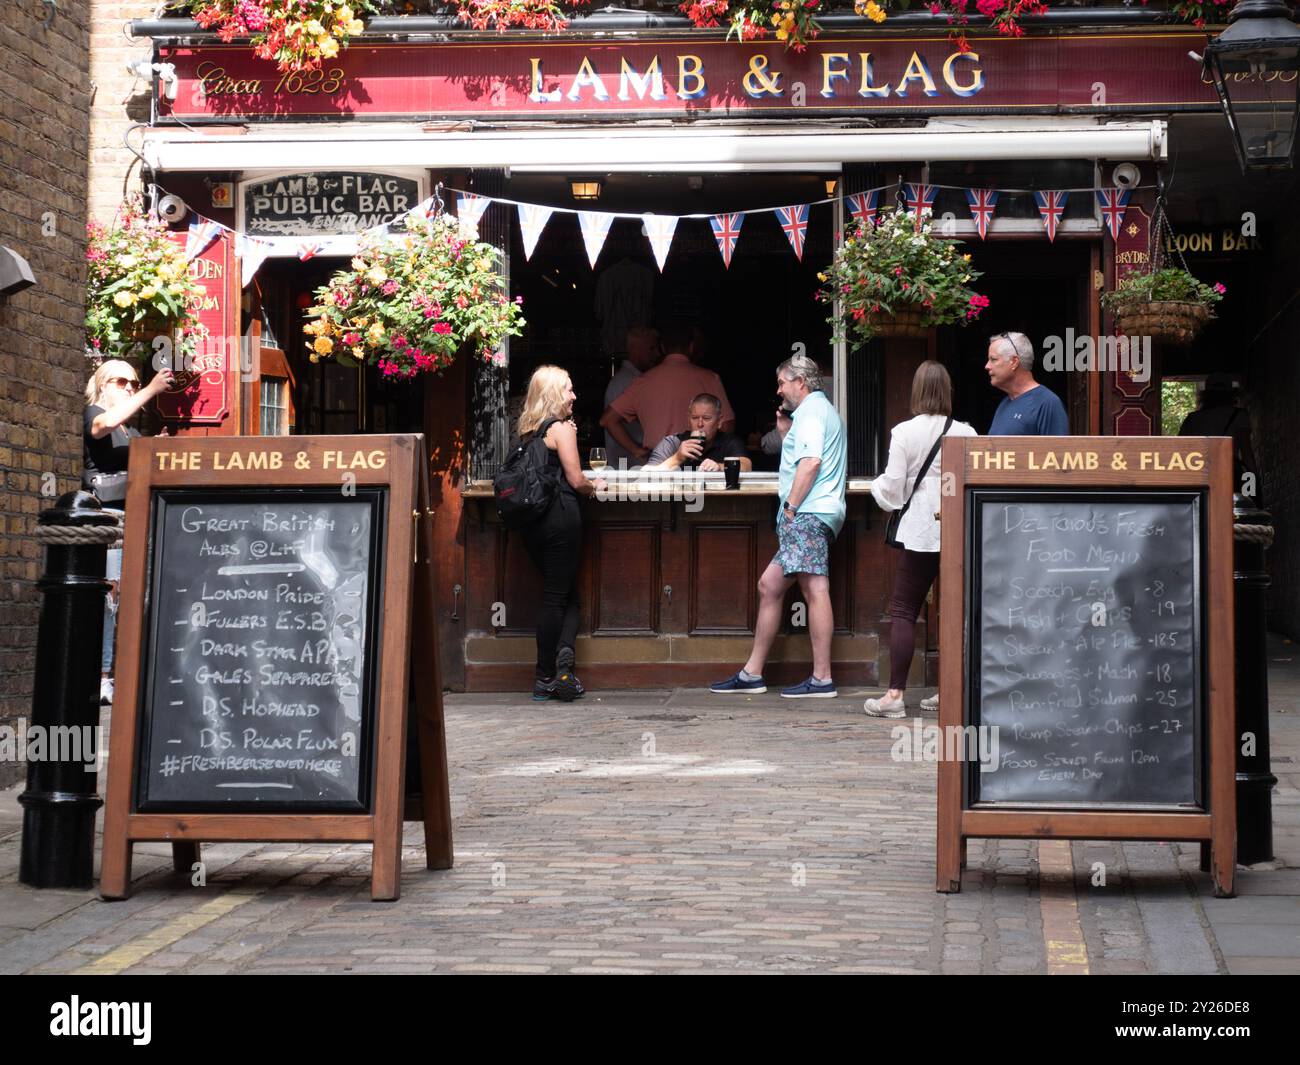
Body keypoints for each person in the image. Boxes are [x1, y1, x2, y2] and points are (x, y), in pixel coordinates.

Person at [711, 354, 847, 698]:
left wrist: (790, 508)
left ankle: (822, 679)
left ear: (800, 382)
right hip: (810, 513)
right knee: (769, 587)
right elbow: (806, 455)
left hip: (807, 514)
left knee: (815, 590)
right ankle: (752, 673)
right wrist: (786, 434)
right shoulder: (811, 414)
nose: (779, 389)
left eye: (783, 382)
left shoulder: (813, 412)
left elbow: (812, 462)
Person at [864, 362, 978, 717]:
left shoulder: (904, 433)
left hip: (920, 533)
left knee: (904, 609)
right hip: (959, 528)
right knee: (956, 611)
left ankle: (896, 696)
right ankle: (952, 693)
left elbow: (894, 491)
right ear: (948, 392)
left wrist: (873, 487)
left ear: (916, 391)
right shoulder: (967, 433)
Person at [83, 359, 174, 705]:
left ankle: (123, 673)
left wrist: (158, 447)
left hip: (134, 519)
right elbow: (103, 425)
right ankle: (104, 676)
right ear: (103, 384)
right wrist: (152, 390)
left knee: (127, 601)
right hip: (108, 522)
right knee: (110, 598)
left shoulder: (131, 432)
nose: (130, 388)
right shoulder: (93, 412)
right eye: (122, 382)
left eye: (135, 384)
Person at [516, 365, 607, 701]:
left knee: (563, 595)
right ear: (554, 394)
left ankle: (562, 665)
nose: (574, 395)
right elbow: (576, 479)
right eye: (568, 389)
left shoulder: (528, 429)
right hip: (561, 519)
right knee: (559, 597)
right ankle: (545, 676)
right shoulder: (561, 430)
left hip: (533, 523)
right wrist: (595, 484)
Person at [600, 321, 735, 464]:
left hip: (657, 464)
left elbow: (607, 420)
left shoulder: (643, 381)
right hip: (701, 464)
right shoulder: (710, 378)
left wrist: (637, 451)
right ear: (691, 347)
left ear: (663, 348)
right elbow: (727, 427)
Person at [1179, 372, 1259, 501]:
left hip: (1200, 473)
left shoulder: (1192, 419)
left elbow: (1181, 453)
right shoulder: (1239, 416)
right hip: (1229, 471)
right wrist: (1253, 480)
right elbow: (1246, 452)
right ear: (1231, 394)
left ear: (1206, 395)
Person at [642, 393, 753, 472]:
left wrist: (719, 466)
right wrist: (677, 458)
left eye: (706, 418)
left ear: (719, 422)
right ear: (688, 420)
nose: (700, 424)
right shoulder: (673, 442)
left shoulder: (729, 441)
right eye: (694, 418)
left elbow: (746, 466)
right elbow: (646, 473)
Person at [985, 331, 1069, 436]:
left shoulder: (1048, 403)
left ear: (1014, 362)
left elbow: (1059, 451)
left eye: (993, 359)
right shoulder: (1004, 404)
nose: (987, 366)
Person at [602, 325, 661, 471]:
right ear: (636, 350)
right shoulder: (628, 381)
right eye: (651, 349)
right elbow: (608, 421)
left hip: (632, 466)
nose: (657, 354)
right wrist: (637, 450)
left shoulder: (633, 379)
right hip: (628, 468)